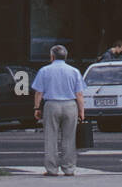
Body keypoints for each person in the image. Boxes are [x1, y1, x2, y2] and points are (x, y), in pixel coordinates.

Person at [32, 45, 86, 177]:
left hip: (51, 105)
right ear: (66, 57)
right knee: (69, 138)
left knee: (51, 138)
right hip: (70, 105)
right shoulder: (74, 71)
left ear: (52, 56)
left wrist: (37, 107)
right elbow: (79, 94)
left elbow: (39, 92)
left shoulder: (44, 71)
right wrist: (81, 111)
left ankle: (52, 169)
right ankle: (69, 168)